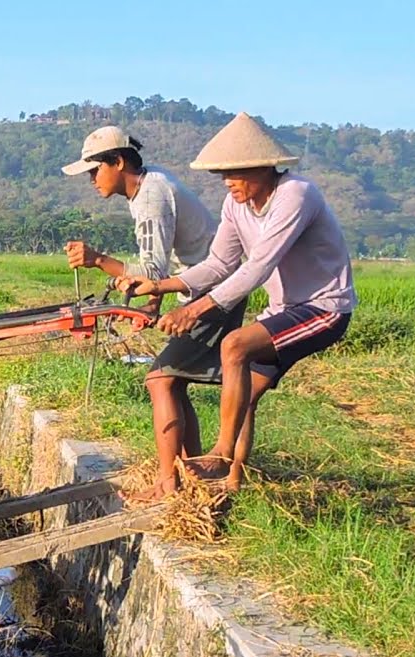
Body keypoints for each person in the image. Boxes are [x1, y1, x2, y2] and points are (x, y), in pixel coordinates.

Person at [118, 112, 357, 494]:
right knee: (245, 393)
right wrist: (161, 286)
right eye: (223, 175)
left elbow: (258, 267)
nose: (229, 182)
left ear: (265, 167)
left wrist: (194, 309)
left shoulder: (296, 194)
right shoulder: (235, 205)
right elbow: (219, 264)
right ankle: (229, 485)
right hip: (284, 310)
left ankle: (222, 453)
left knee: (234, 346)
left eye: (237, 172)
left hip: (323, 308)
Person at [61, 126, 246, 501]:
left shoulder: (150, 198)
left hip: (211, 293)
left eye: (94, 171)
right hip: (200, 287)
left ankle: (167, 483)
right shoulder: (151, 186)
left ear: (117, 161)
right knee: (175, 381)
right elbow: (158, 267)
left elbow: (152, 273)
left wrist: (98, 261)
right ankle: (194, 475)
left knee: (159, 379)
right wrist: (150, 304)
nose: (91, 180)